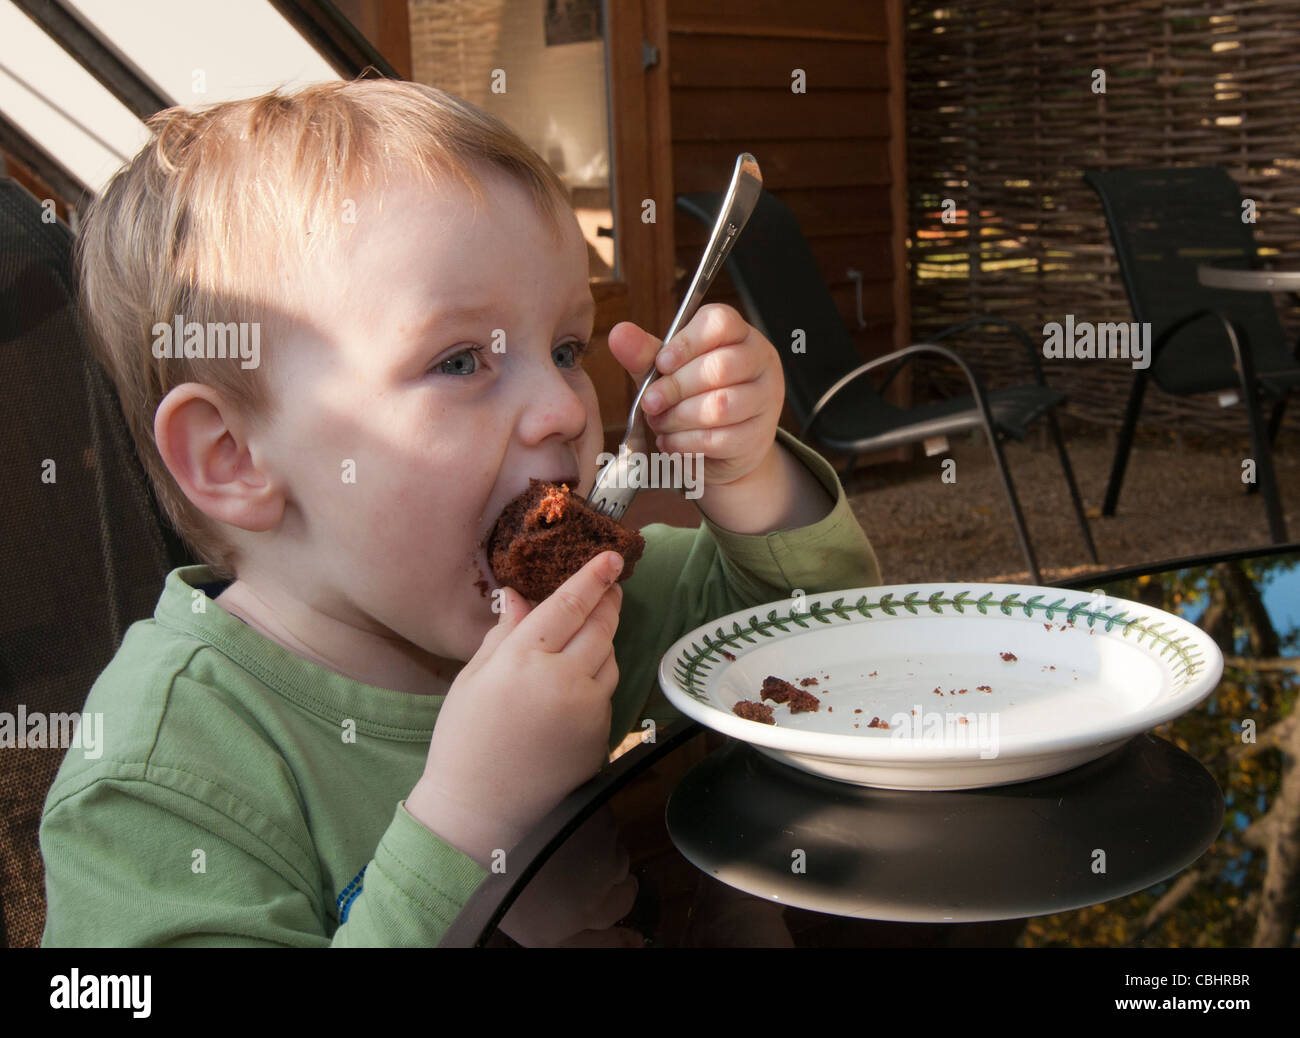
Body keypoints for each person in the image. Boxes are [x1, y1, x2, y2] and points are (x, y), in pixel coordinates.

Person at [39, 78, 881, 946]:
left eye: (564, 348)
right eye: (459, 361)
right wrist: (468, 835)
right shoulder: (157, 785)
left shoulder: (592, 613)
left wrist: (746, 474)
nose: (563, 405)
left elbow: (825, 649)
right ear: (234, 458)